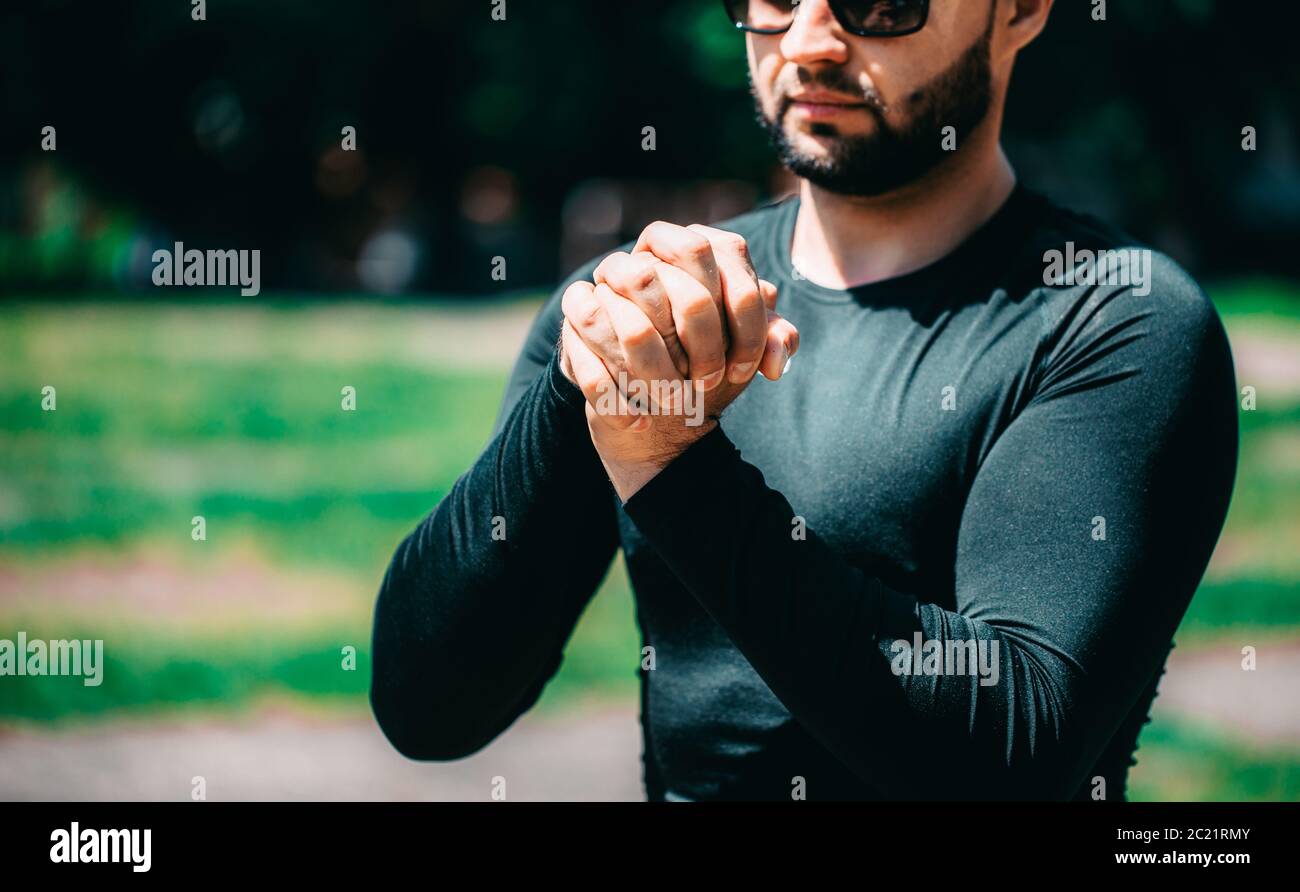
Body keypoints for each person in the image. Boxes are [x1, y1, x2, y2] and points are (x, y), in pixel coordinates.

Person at [370, 0, 1238, 800]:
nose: (809, 41)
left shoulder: (1117, 316)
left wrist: (673, 468)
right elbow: (428, 711)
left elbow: (1013, 752)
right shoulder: (650, 309)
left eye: (884, 1)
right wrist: (578, 387)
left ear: (1019, 10)